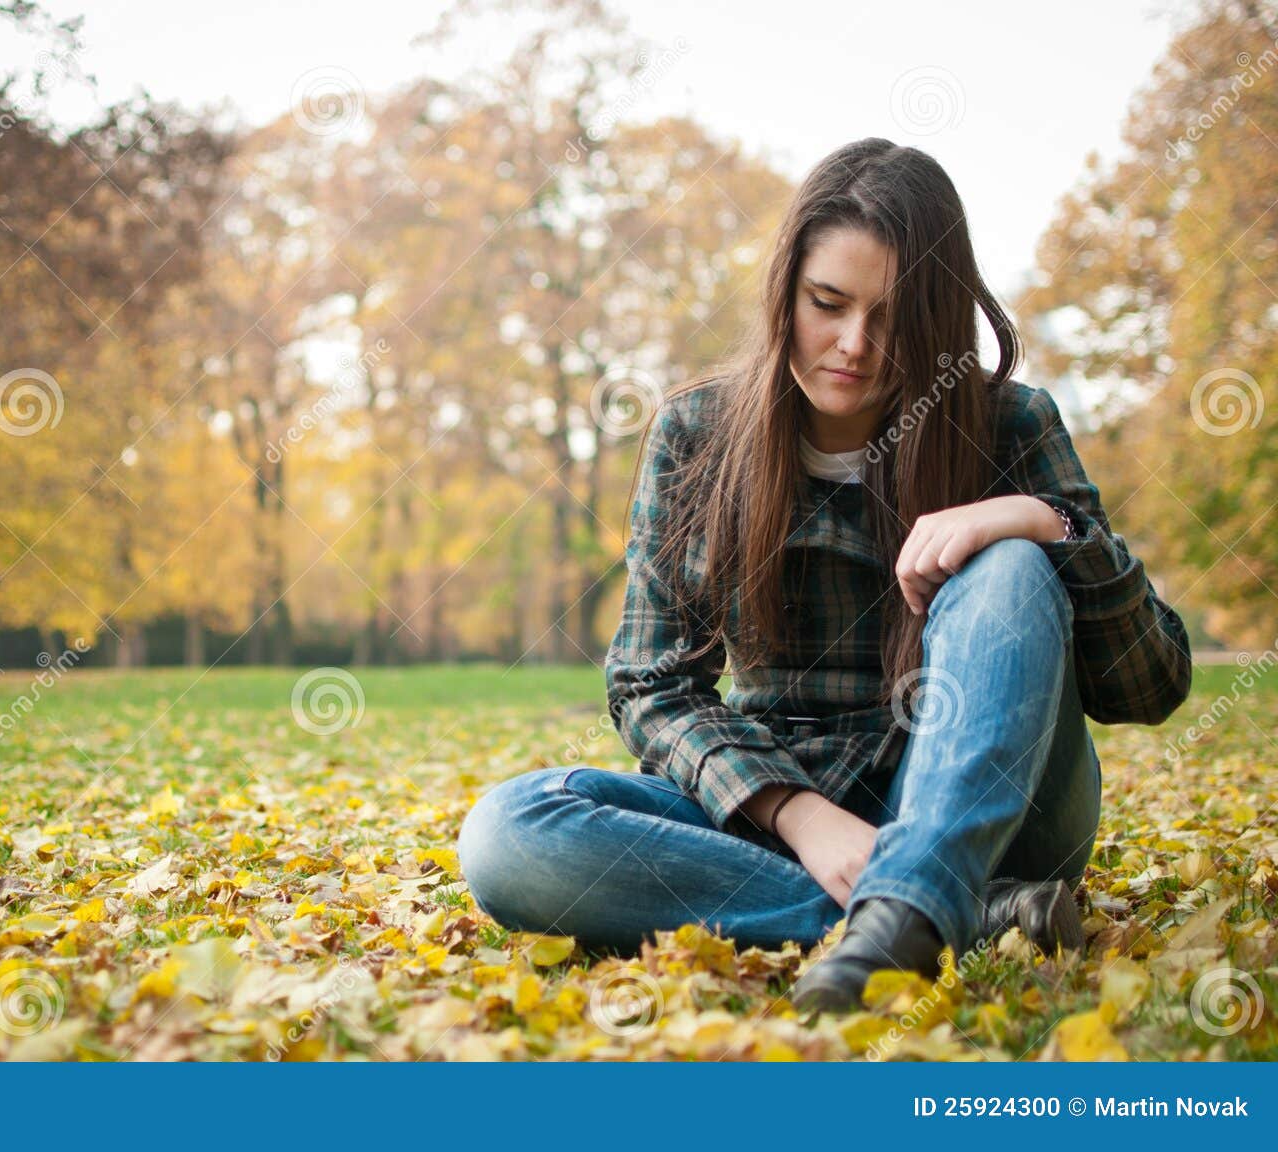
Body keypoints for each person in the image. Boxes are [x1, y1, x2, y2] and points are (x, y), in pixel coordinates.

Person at [456, 137, 1192, 1014]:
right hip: (785, 810)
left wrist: (1044, 524)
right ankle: (951, 917)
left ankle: (931, 890)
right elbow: (651, 684)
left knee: (1010, 569)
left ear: (937, 317)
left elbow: (1151, 689)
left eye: (892, 317)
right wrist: (801, 818)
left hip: (1001, 817)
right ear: (785, 291)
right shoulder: (698, 435)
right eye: (827, 303)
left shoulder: (1010, 425)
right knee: (513, 831)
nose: (854, 344)